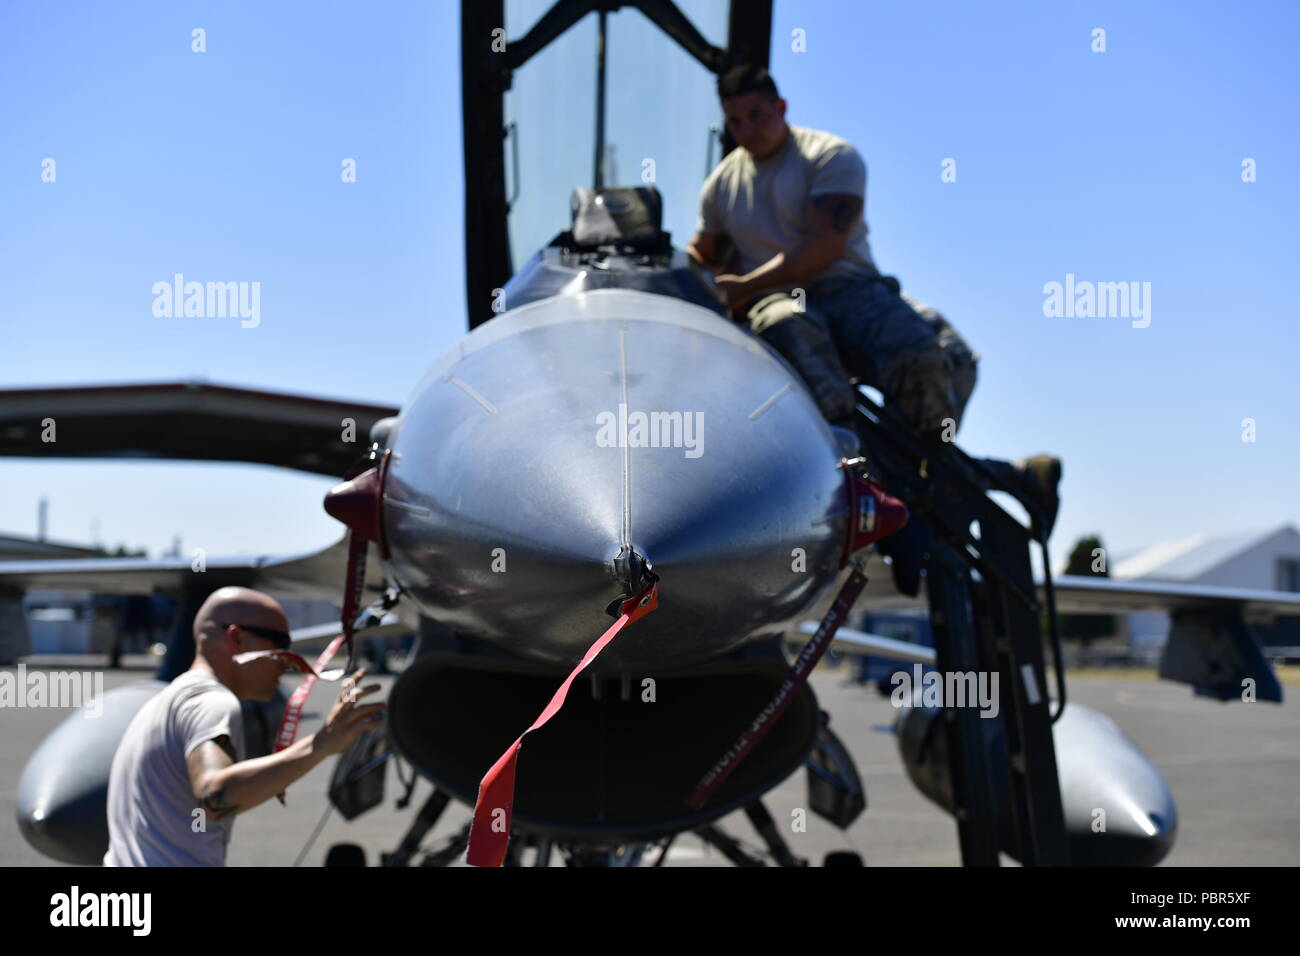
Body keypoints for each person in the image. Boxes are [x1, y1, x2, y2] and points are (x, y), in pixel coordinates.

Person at [687, 65, 1059, 540]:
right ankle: (868, 475)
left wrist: (741, 286)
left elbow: (825, 247)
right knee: (789, 324)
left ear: (781, 109)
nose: (747, 131)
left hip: (850, 291)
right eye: (735, 122)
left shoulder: (830, 157)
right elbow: (704, 251)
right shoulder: (721, 186)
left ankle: (924, 482)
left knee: (928, 359)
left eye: (757, 116)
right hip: (776, 305)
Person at [103, 586, 384, 866]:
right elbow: (216, 794)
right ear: (237, 637)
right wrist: (320, 745)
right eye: (279, 643)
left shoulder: (164, 702)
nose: (286, 661)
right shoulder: (212, 702)